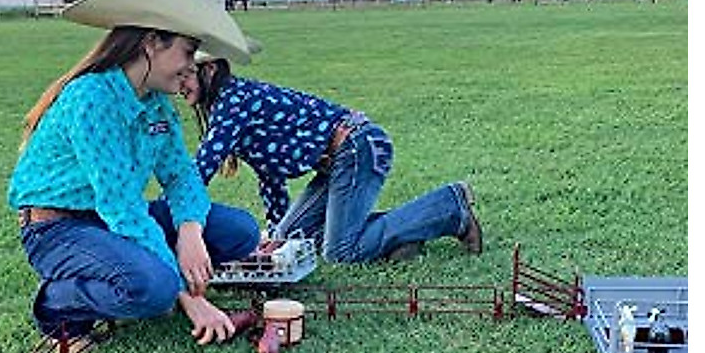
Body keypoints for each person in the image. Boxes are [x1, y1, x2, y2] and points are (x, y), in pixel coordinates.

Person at [7, 0, 261, 346]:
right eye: (188, 52)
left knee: (240, 231)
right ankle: (56, 305)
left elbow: (180, 176)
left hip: (107, 220)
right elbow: (122, 205)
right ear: (151, 43)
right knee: (156, 288)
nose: (192, 67)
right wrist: (190, 297)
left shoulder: (157, 103)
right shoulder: (92, 98)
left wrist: (190, 231)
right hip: (56, 229)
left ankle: (140, 269)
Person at [183, 57, 482, 263]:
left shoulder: (233, 101)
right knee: (292, 238)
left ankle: (452, 208)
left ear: (208, 69)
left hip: (358, 147)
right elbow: (269, 174)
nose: (179, 84)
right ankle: (403, 237)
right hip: (337, 161)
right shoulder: (230, 104)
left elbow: (201, 169)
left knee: (340, 253)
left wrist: (181, 224)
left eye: (185, 74)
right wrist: (275, 235)